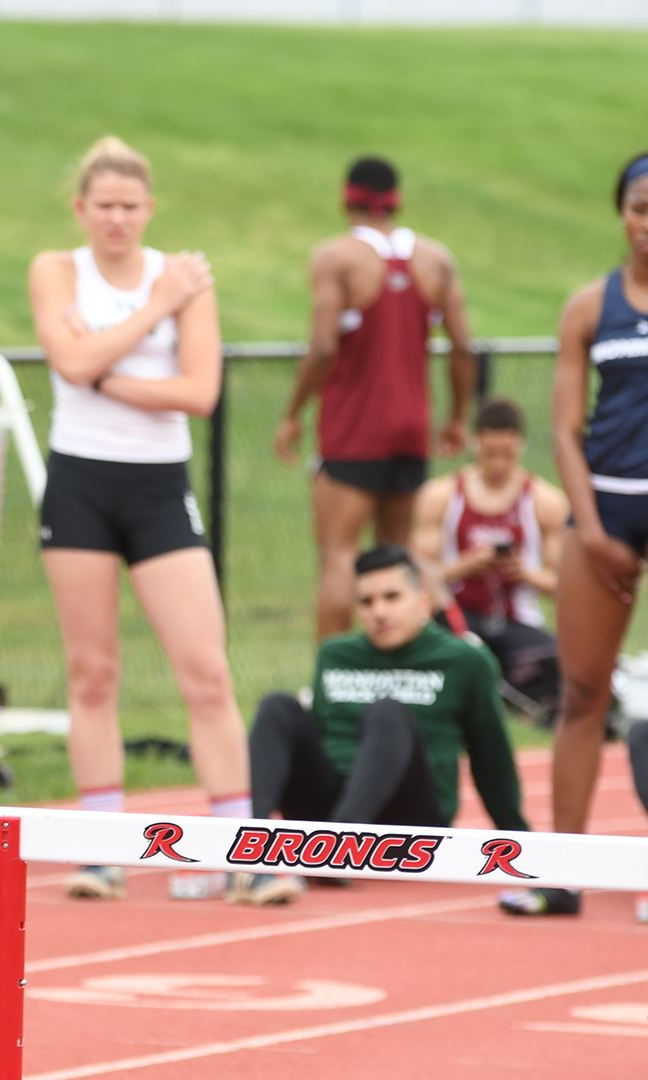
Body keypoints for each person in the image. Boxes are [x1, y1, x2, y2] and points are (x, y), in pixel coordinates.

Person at [27, 136, 251, 902]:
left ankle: (237, 845)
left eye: (130, 207)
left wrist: (104, 372)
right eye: (104, 207)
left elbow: (199, 392)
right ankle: (101, 849)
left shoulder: (187, 275)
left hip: (159, 487)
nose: (117, 220)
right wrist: (153, 313)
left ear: (149, 210)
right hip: (81, 482)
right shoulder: (59, 270)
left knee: (207, 670)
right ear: (81, 210)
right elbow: (68, 364)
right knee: (92, 672)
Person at [503, 150, 648, 918]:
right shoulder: (590, 307)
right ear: (621, 213)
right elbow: (564, 431)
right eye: (640, 208)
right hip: (605, 510)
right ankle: (561, 871)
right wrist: (591, 531)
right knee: (585, 691)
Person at [248, 544, 528, 906]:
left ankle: (337, 847)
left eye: (392, 597)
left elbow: (492, 757)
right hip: (328, 809)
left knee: (388, 712)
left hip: (411, 822)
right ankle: (248, 847)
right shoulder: (335, 655)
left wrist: (519, 839)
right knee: (277, 706)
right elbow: (309, 742)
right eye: (366, 602)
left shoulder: (466, 661)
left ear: (423, 602)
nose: (379, 611)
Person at [275, 156, 478, 641]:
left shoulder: (337, 257)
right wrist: (455, 417)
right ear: (397, 200)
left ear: (346, 198)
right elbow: (463, 347)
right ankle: (397, 673)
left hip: (354, 428)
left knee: (339, 555)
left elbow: (323, 345)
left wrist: (292, 414)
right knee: (397, 555)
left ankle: (329, 681)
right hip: (411, 426)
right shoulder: (435, 259)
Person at [410, 398, 567, 722]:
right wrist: (463, 567)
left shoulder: (545, 502)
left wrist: (526, 573)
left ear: (520, 447)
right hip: (459, 618)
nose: (498, 465)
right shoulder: (441, 496)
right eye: (489, 454)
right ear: (474, 444)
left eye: (508, 455)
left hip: (516, 621)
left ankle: (515, 695)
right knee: (438, 648)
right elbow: (415, 578)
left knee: (559, 661)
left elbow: (565, 587)